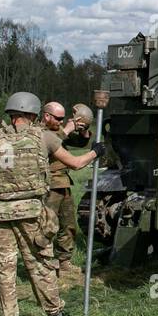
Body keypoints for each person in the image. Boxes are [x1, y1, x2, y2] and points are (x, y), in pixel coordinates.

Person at [0, 92, 102, 316]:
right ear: (34, 114)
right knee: (41, 265)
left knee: (5, 272)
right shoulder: (44, 137)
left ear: (10, 113)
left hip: (0, 214)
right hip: (32, 214)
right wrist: (96, 152)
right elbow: (75, 163)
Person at [40, 101, 100, 280]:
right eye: (58, 118)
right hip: (48, 184)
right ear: (46, 116)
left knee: (68, 225)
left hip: (63, 182)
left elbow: (79, 142)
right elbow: (51, 145)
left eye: (63, 118)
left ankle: (64, 262)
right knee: (47, 226)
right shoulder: (38, 132)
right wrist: (66, 129)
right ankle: (44, 263)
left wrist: (82, 130)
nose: (61, 121)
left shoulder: (57, 130)